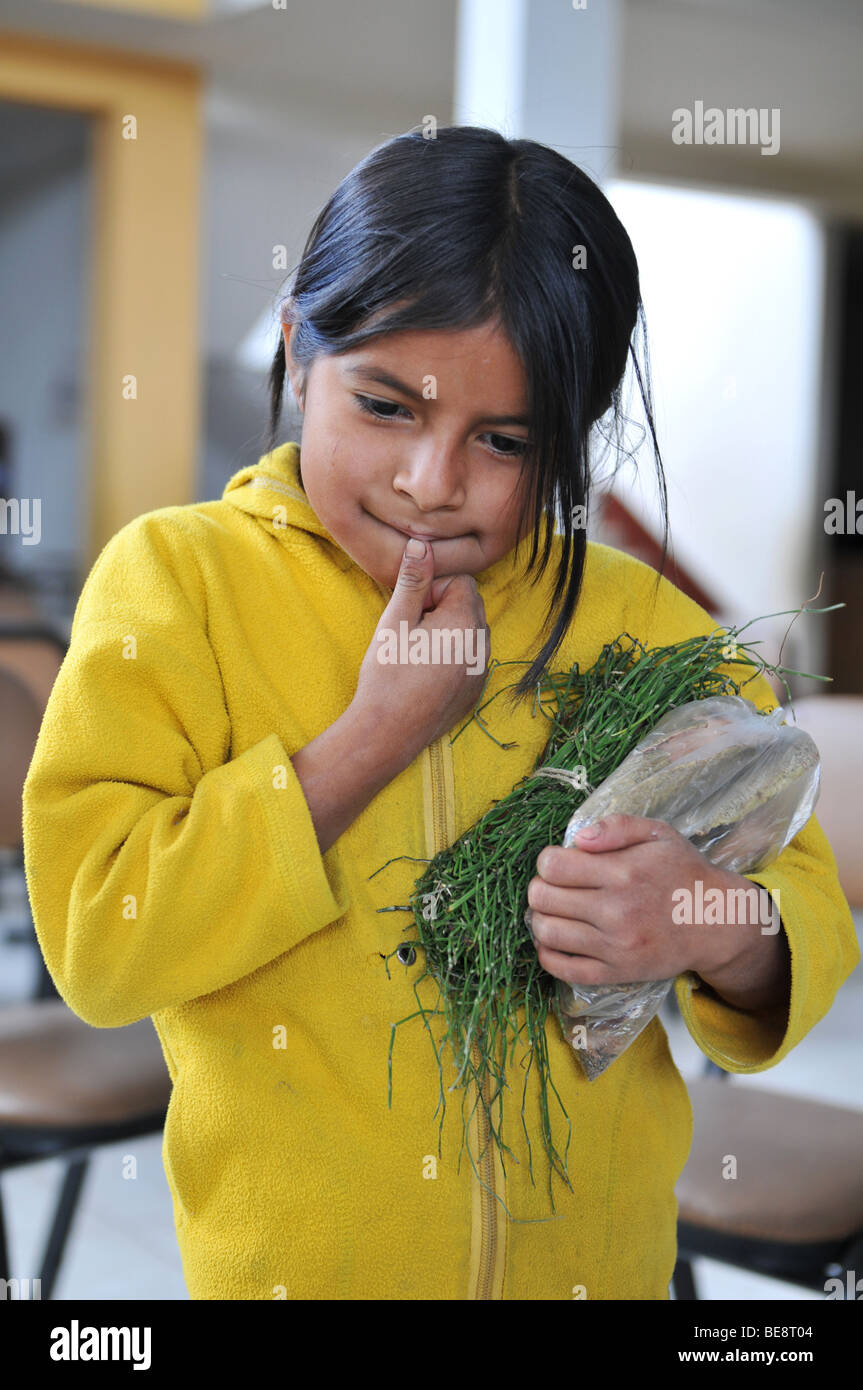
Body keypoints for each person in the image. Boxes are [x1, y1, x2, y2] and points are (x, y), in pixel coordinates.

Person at [21, 126, 859, 1300]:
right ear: (297, 354)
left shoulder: (651, 629)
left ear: (568, 437)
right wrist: (371, 738)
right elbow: (102, 945)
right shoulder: (175, 585)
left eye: (503, 441)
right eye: (384, 405)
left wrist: (706, 922)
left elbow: (804, 911)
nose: (430, 480)